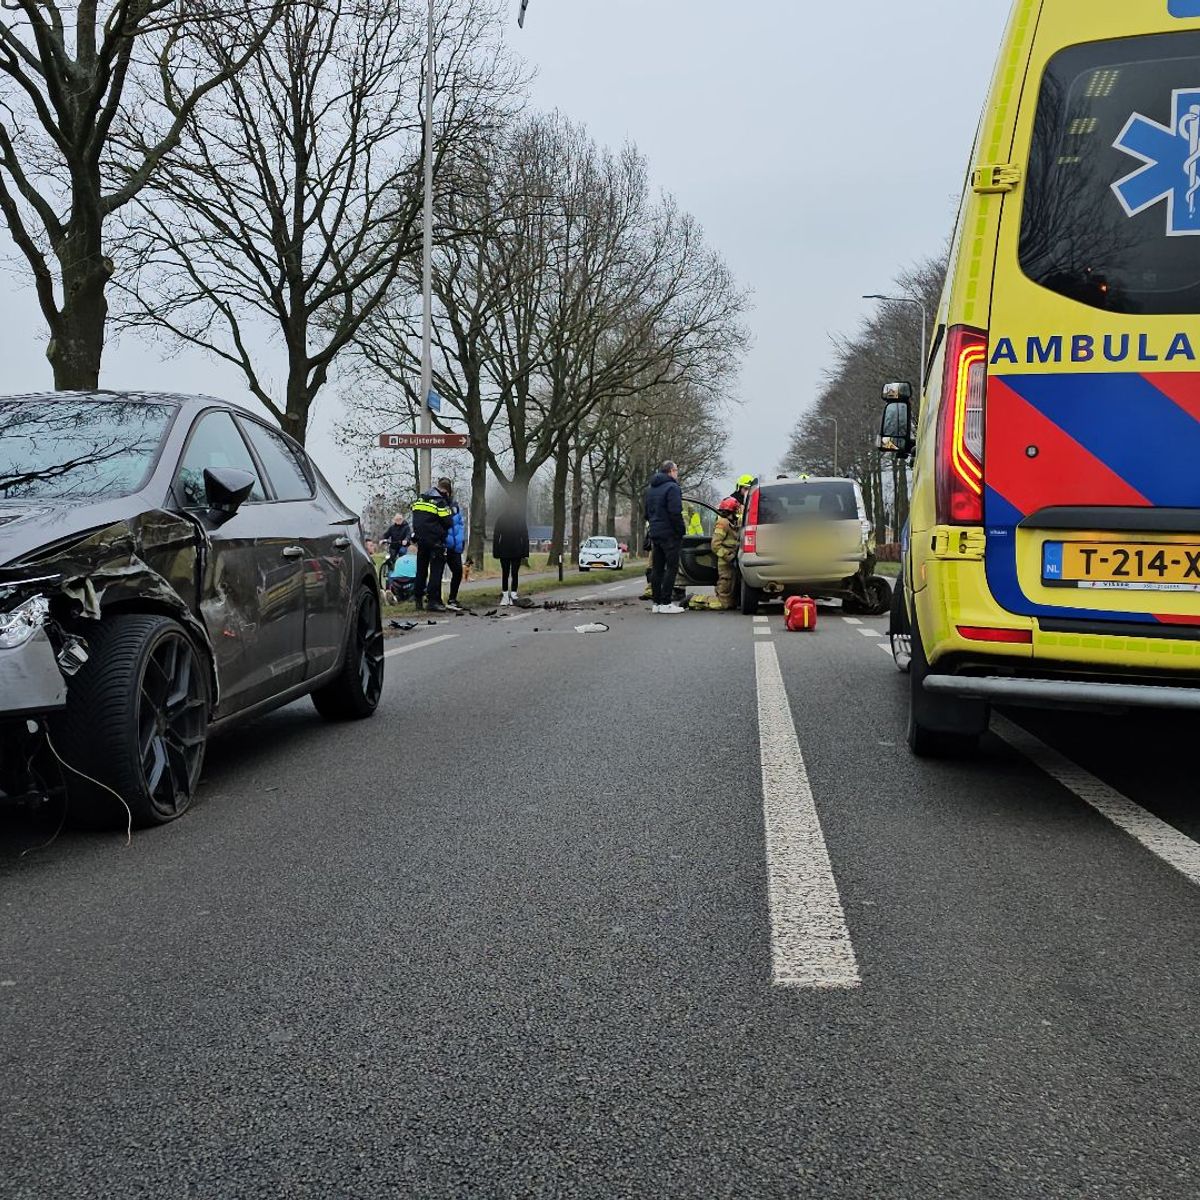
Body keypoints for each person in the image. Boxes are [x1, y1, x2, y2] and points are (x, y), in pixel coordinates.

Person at [644, 459, 686, 614]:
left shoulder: (650, 489)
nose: (677, 473)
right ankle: (667, 602)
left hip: (655, 533)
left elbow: (646, 513)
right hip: (670, 533)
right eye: (676, 470)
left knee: (657, 568)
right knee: (672, 567)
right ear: (670, 471)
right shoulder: (673, 488)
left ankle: (656, 603)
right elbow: (675, 512)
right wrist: (680, 530)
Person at [690, 497, 741, 610]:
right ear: (732, 511)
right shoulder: (722, 523)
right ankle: (693, 599)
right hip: (725, 564)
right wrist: (730, 557)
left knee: (732, 602)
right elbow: (715, 545)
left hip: (732, 564)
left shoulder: (733, 523)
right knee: (722, 603)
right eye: (736, 510)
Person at [411, 480, 453, 612]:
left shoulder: (420, 499)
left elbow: (416, 517)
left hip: (421, 540)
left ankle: (418, 599)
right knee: (436, 571)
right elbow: (448, 522)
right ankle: (433, 600)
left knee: (421, 570)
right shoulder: (440, 501)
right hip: (435, 541)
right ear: (445, 491)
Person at [492, 498, 529, 607]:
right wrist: (525, 551)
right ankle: (509, 595)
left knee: (509, 573)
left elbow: (524, 535)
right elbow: (496, 535)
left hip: (510, 550)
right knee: (511, 573)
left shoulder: (504, 518)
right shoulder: (505, 519)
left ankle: (510, 595)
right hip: (510, 550)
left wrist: (525, 551)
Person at [441, 478, 466, 610]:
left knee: (458, 572)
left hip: (455, 546)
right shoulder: (438, 504)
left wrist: (461, 541)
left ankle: (452, 598)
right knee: (437, 573)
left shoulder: (455, 506)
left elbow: (460, 525)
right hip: (443, 545)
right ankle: (435, 598)